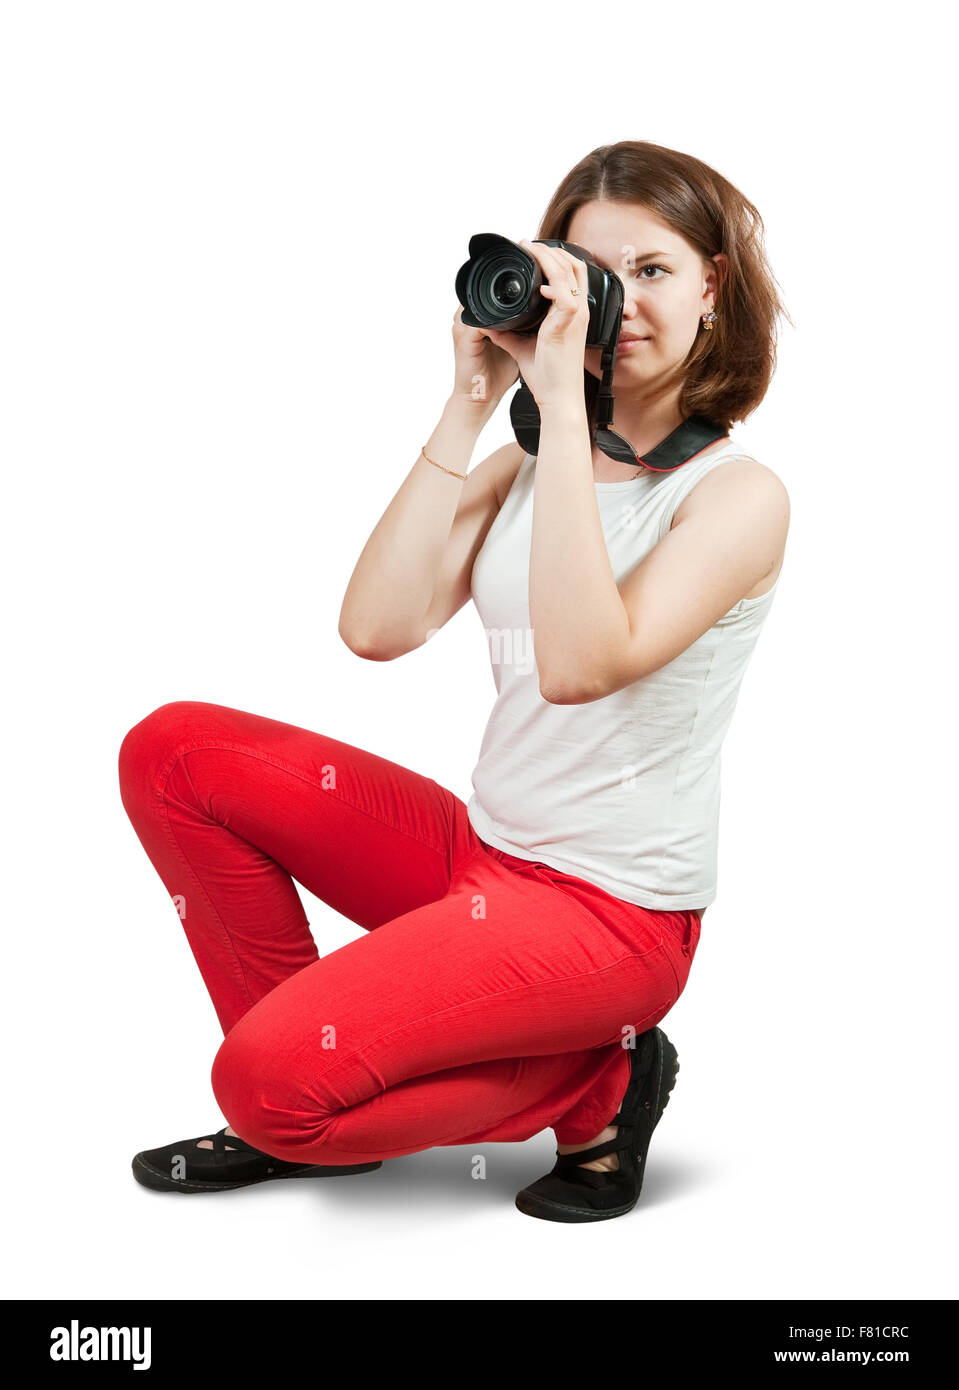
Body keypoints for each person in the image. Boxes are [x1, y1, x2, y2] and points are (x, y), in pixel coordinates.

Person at [118, 139, 790, 1223]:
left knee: (265, 1086)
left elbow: (577, 665)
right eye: (586, 273)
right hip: (478, 859)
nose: (617, 305)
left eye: (650, 271)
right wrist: (473, 400)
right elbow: (374, 627)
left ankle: (594, 1076)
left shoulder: (733, 496)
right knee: (174, 751)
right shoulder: (525, 462)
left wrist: (564, 404)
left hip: (609, 920)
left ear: (712, 286)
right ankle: (316, 1091)